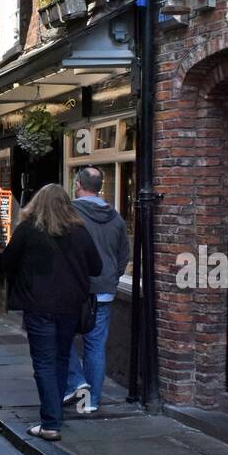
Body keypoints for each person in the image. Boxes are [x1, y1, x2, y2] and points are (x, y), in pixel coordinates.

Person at [2, 183, 102, 440]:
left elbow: (7, 262)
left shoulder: (27, 231)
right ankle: (54, 415)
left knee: (45, 363)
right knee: (59, 360)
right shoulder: (79, 232)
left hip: (39, 306)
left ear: (37, 203)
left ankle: (50, 423)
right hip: (69, 307)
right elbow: (96, 267)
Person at [64, 166, 131, 415]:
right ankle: (89, 402)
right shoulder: (116, 217)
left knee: (61, 337)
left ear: (78, 185)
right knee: (95, 345)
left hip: (74, 289)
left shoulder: (68, 213)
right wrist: (112, 277)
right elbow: (124, 254)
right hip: (103, 291)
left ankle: (75, 382)